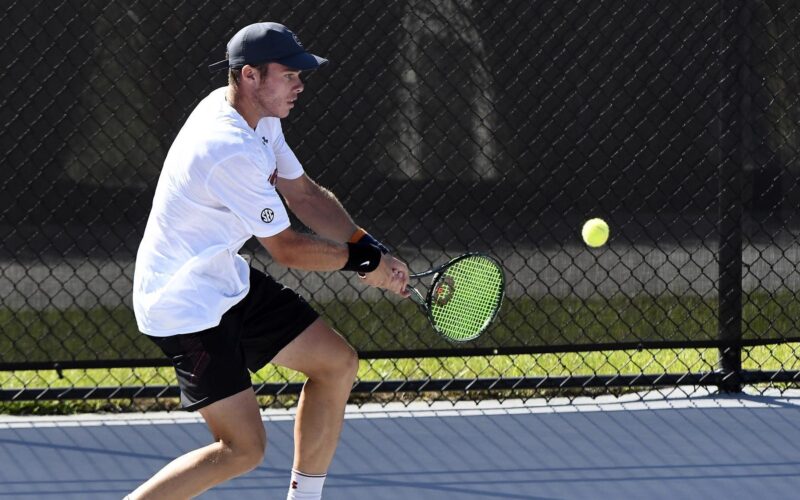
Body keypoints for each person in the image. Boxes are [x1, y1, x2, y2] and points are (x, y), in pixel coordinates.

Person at [128, 22, 409, 500]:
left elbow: (303, 193)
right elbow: (287, 248)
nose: (300, 83)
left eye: (302, 72)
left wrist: (369, 247)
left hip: (222, 278)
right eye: (290, 73)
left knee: (336, 363)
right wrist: (363, 267)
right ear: (249, 76)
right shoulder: (226, 146)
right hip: (183, 305)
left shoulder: (259, 117)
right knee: (242, 449)